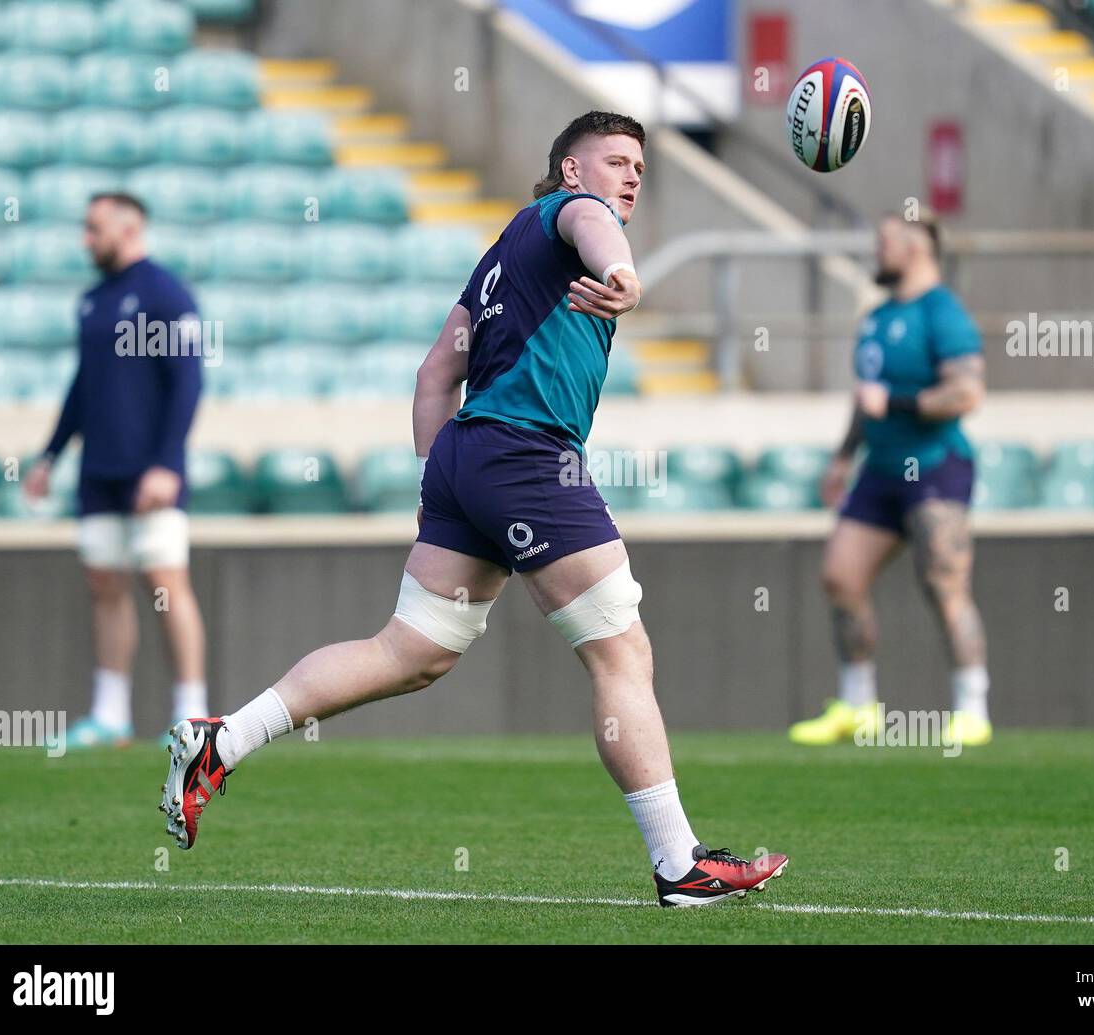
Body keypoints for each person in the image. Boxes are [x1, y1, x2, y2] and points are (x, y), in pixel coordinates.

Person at [161, 111, 788, 908]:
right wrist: (625, 273)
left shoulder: (500, 256)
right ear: (570, 169)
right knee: (620, 652)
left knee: (410, 653)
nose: (631, 177)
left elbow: (433, 374)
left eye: (639, 166)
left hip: (466, 457)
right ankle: (678, 864)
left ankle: (225, 738)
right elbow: (597, 227)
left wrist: (442, 484)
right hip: (527, 455)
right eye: (617, 160)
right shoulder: (571, 215)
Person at [789, 210, 991, 748]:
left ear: (917, 246)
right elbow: (865, 400)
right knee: (840, 578)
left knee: (944, 583)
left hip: (935, 465)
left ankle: (973, 707)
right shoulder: (876, 318)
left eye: (885, 243)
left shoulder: (942, 313)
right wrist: (842, 457)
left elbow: (966, 393)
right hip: (878, 470)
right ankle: (859, 707)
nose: (877, 252)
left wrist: (898, 403)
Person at [27, 192, 207, 749]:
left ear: (128, 228)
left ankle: (193, 716)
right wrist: (51, 454)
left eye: (94, 228)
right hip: (98, 470)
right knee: (103, 581)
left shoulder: (164, 292)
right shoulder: (92, 301)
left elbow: (188, 381)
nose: (86, 239)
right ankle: (110, 716)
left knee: (165, 580)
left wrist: (165, 463)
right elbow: (83, 386)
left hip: (148, 470)